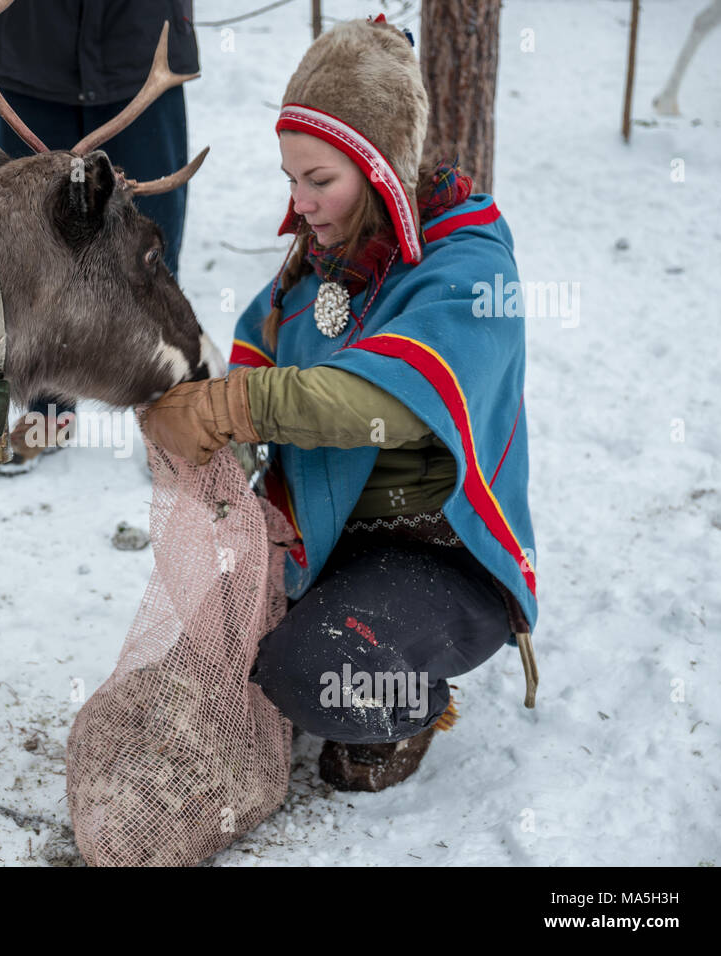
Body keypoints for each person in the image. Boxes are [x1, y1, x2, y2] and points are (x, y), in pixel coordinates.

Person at [144, 15, 539, 792]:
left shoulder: (468, 267)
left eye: (319, 180)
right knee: (201, 656)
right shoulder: (319, 269)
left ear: (382, 166)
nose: (301, 204)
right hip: (331, 552)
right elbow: (258, 341)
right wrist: (195, 420)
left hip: (442, 562)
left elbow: (376, 403)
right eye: (290, 178)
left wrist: (232, 407)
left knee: (316, 671)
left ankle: (414, 706)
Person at [0, 0, 199, 474]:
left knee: (148, 254)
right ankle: (47, 414)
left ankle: (170, 419)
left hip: (139, 55)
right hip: (29, 54)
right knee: (31, 252)